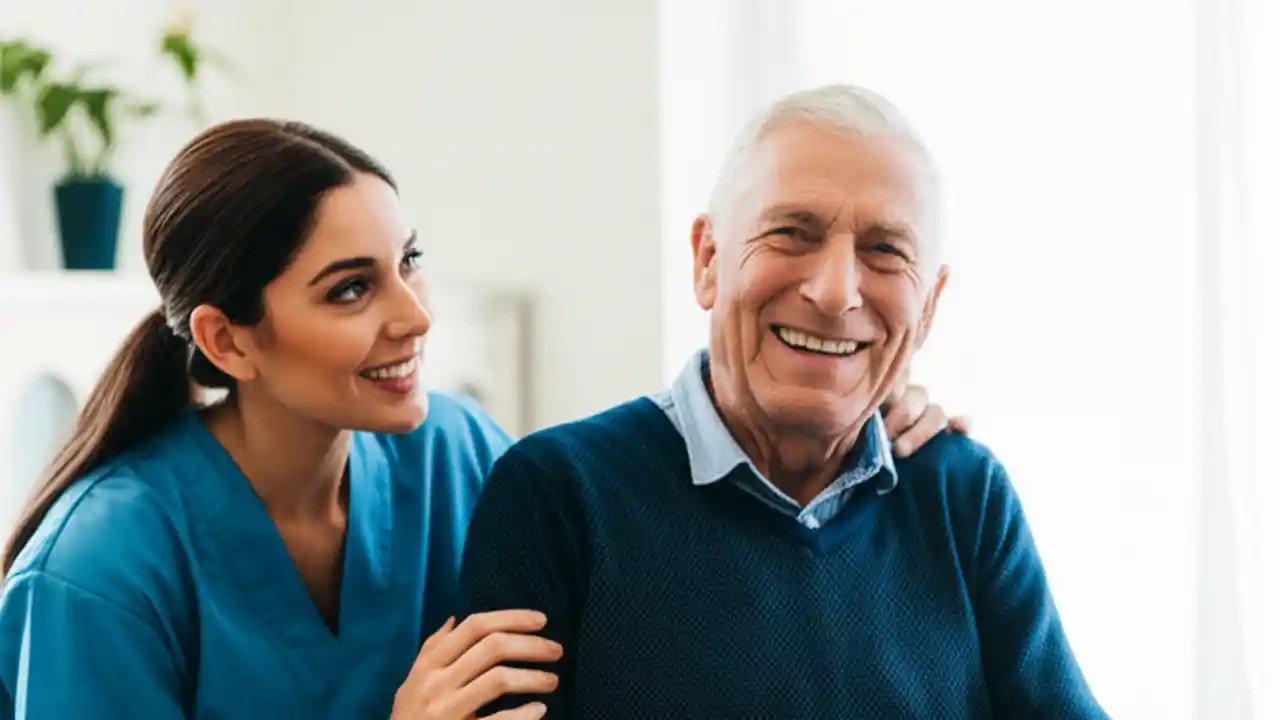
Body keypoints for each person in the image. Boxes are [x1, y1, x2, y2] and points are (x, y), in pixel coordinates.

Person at [0, 119, 956, 719]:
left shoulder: (453, 455)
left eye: (409, 261)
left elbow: (640, 519)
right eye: (349, 290)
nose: (415, 315)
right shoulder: (100, 572)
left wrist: (847, 410)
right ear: (229, 340)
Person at [459, 85, 1110, 719]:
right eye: (793, 233)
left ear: (930, 304)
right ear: (708, 260)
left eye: (884, 250)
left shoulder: (962, 495)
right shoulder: (556, 494)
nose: (834, 292)